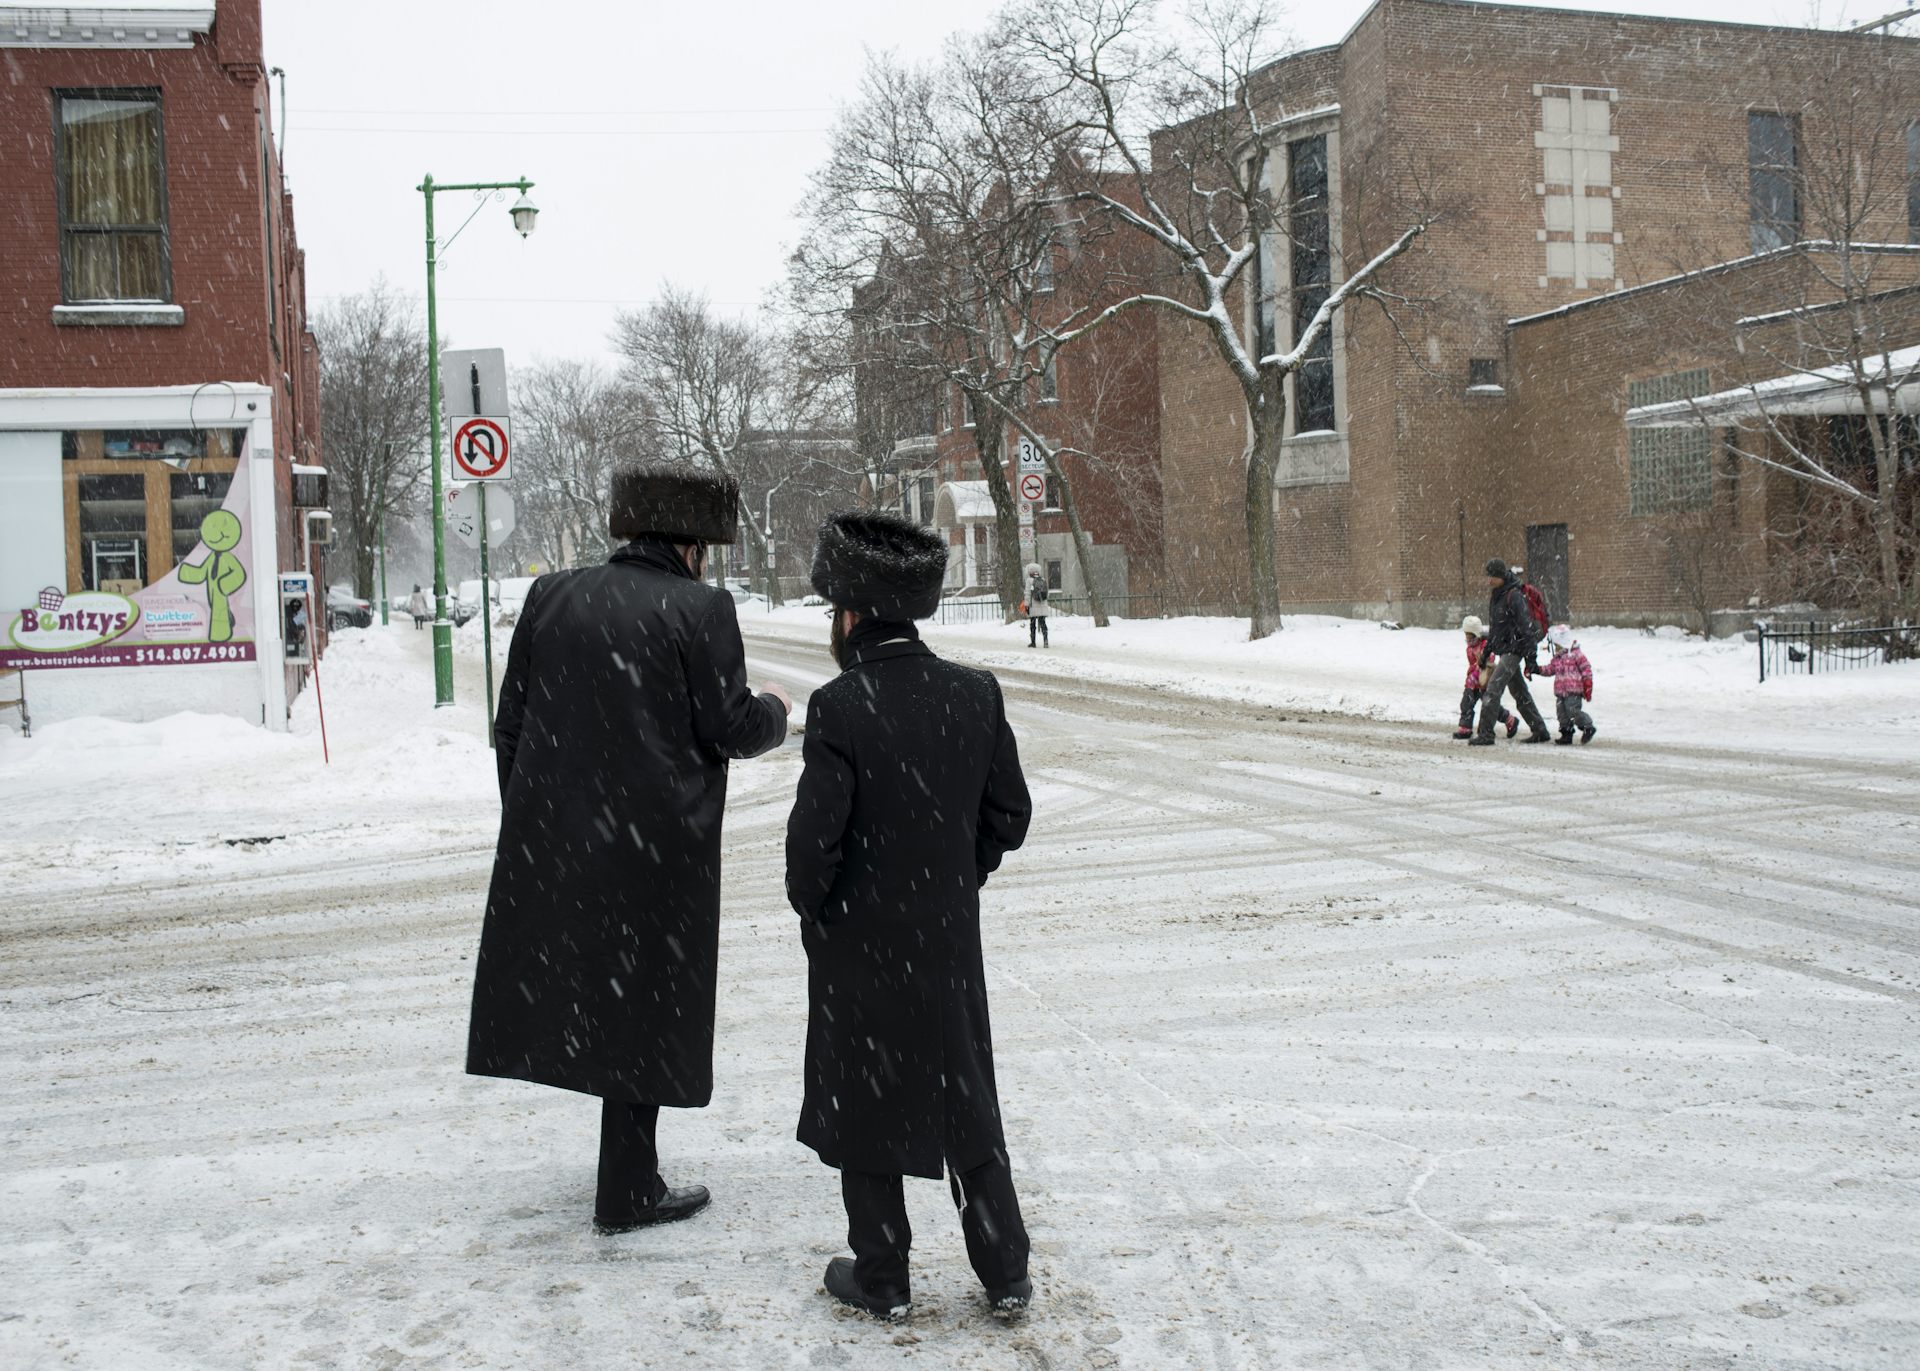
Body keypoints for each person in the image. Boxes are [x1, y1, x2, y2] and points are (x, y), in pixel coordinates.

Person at [467, 463, 792, 1234]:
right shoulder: (701, 608)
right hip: (659, 848)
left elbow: (509, 724)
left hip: (567, 839)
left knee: (598, 997)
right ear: (693, 546)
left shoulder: (551, 595)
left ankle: (629, 1177)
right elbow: (728, 727)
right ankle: (628, 1188)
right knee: (646, 1004)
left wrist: (537, 816)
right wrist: (776, 712)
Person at [787, 511, 1035, 1321]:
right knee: (964, 1092)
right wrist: (954, 881)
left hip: (861, 945)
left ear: (851, 614)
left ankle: (883, 1273)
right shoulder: (975, 692)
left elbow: (809, 854)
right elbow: (1010, 814)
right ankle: (1004, 1270)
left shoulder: (838, 706)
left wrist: (828, 912)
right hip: (945, 939)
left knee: (868, 1101)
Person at [1470, 558, 1551, 746]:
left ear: (1500, 576)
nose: (1488, 580)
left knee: (1492, 690)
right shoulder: (1497, 595)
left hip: (1513, 650)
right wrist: (1486, 652)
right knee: (1519, 692)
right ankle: (1539, 730)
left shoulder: (1513, 595)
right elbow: (1496, 629)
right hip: (1505, 648)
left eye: (1492, 576)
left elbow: (1526, 628)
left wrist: (1531, 659)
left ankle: (1486, 734)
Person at [1456, 614, 1518, 741]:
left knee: (1490, 706)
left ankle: (1509, 719)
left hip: (1484, 680)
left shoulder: (1485, 645)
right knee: (1467, 702)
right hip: (1472, 682)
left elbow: (1487, 662)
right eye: (1466, 635)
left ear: (1476, 634)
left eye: (1470, 635)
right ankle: (1465, 727)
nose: (1467, 638)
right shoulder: (1470, 648)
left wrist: (1475, 673)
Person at [1545, 624, 1598, 745]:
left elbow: (1586, 669)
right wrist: (1537, 669)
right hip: (1560, 692)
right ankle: (1566, 734)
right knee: (1562, 714)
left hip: (1573, 691)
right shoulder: (1558, 658)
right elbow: (1550, 669)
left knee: (1573, 711)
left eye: (1557, 645)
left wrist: (1588, 685)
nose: (1555, 648)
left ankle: (1587, 726)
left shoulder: (1576, 654)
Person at [1024, 562, 1050, 647]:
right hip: (1042, 605)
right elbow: (1047, 594)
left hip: (1033, 606)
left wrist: (1026, 604)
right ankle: (1045, 641)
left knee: (1032, 624)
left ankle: (1033, 642)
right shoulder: (1043, 580)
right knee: (1043, 623)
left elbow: (1027, 594)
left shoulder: (1029, 581)